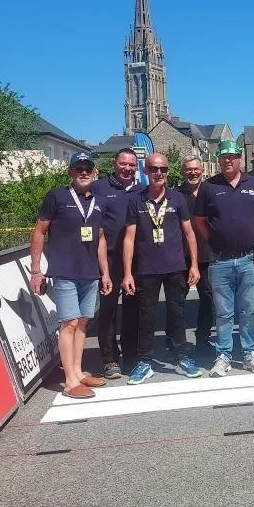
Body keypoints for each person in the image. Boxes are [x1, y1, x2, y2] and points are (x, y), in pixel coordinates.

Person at [29, 152, 112, 399]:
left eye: (88, 168)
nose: (83, 172)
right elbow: (39, 231)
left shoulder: (100, 201)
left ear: (95, 172)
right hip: (64, 270)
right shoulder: (57, 196)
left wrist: (105, 272)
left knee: (84, 322)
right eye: (78, 169)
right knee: (69, 323)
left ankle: (77, 371)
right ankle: (69, 381)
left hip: (90, 272)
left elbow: (101, 239)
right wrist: (37, 270)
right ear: (71, 172)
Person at [121, 152, 202, 383]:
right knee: (146, 316)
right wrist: (127, 273)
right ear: (145, 171)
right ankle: (144, 361)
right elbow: (128, 238)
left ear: (168, 172)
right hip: (146, 269)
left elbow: (190, 234)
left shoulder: (177, 199)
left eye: (163, 169)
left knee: (177, 313)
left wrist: (194, 265)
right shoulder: (136, 200)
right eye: (154, 169)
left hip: (175, 266)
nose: (158, 173)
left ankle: (182, 357)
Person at [194, 139, 254, 377]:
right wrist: (214, 240)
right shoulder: (208, 187)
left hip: (248, 258)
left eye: (232, 156)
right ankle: (223, 355)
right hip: (219, 260)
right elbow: (199, 220)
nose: (228, 160)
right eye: (224, 157)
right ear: (219, 160)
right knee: (223, 312)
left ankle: (249, 353)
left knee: (249, 309)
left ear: (240, 159)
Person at [91, 148, 140, 379]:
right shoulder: (99, 188)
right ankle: (109, 359)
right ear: (115, 164)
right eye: (123, 164)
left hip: (135, 259)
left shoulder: (142, 190)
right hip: (108, 259)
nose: (127, 169)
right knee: (108, 311)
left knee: (133, 310)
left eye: (132, 165)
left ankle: (130, 355)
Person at [177, 156, 214, 347]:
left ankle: (203, 338)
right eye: (189, 169)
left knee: (208, 298)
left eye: (196, 169)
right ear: (184, 172)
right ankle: (176, 341)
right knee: (178, 302)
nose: (193, 173)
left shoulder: (212, 192)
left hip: (208, 255)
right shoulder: (175, 195)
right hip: (181, 256)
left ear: (202, 170)